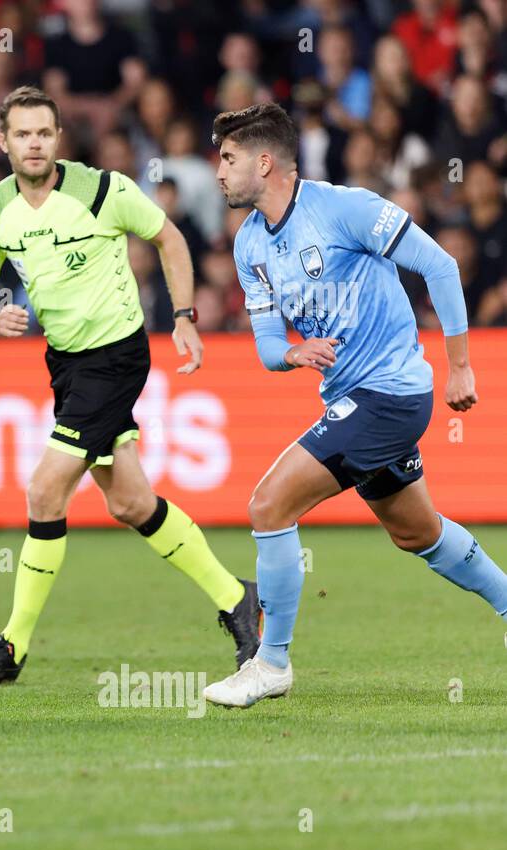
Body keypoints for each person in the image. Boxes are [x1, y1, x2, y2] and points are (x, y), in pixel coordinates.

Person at [0, 86, 261, 685]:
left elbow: (168, 238)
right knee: (130, 503)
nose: (34, 143)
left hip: (117, 357)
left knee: (45, 492)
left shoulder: (102, 190)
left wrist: (184, 317)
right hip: (66, 364)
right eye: (22, 134)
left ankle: (11, 647)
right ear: (2, 141)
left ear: (59, 137)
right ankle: (236, 598)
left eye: (44, 132)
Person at [208, 101, 507, 707]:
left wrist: (460, 367)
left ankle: (272, 663)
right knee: (416, 532)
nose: (219, 171)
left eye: (229, 158)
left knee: (268, 505)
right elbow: (268, 347)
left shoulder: (345, 209)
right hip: (352, 398)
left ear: (265, 162)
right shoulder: (248, 247)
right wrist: (292, 355)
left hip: (391, 395)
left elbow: (441, 265)